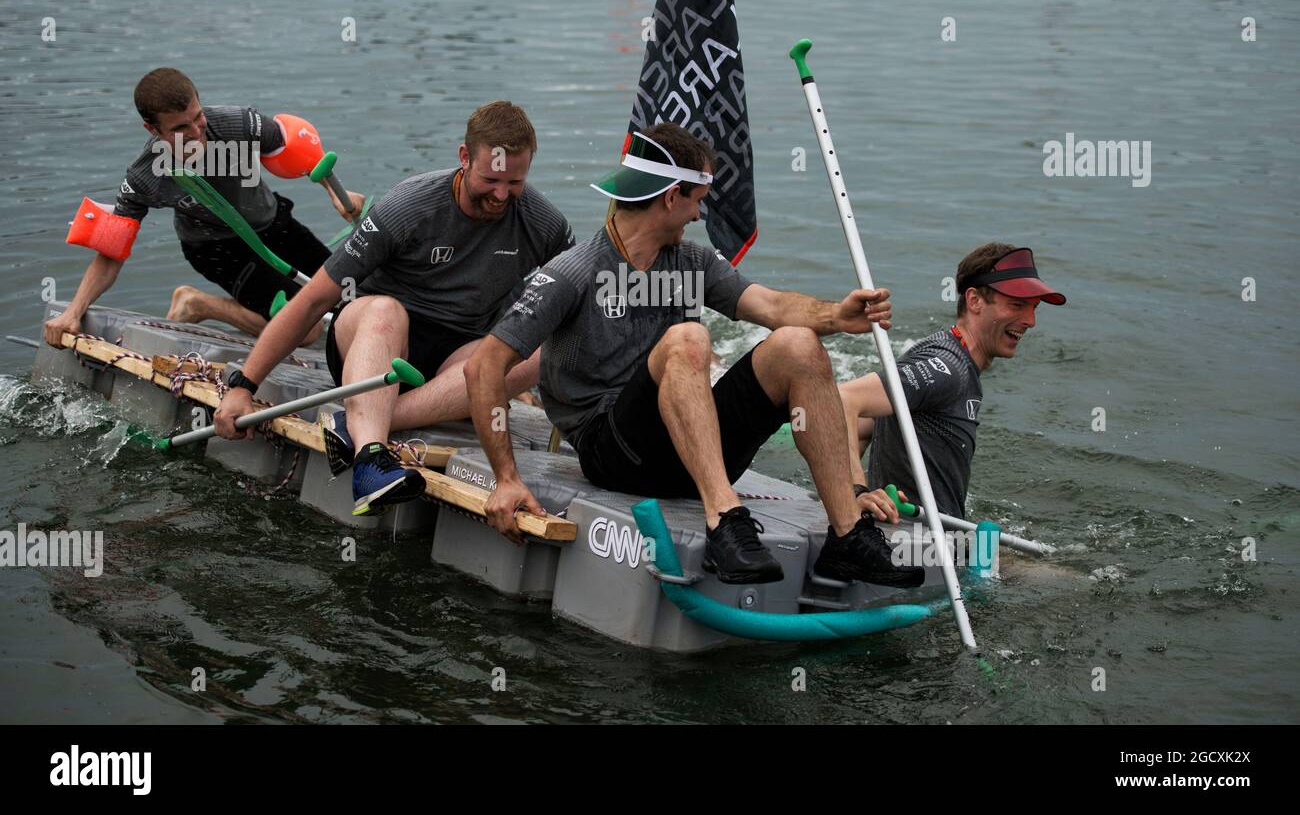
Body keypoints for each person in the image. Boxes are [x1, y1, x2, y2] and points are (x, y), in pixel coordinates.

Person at [464, 123, 924, 589]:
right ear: (670, 197)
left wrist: (836, 315)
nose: (700, 214)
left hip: (692, 449)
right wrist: (507, 479)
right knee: (689, 338)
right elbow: (484, 366)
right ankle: (724, 521)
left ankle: (846, 534)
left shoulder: (694, 262)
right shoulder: (572, 272)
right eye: (697, 200)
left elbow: (771, 306)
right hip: (616, 454)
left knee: (798, 343)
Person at [213, 101, 575, 517]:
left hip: (456, 359)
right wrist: (243, 386)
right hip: (371, 344)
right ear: (464, 157)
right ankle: (370, 461)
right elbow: (314, 299)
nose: (501, 195)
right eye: (490, 179)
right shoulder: (410, 205)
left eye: (515, 182)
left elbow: (579, 306)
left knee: (546, 345)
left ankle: (359, 422)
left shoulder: (544, 224)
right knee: (387, 311)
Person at [42, 68, 362, 348]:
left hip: (272, 223)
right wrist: (73, 312)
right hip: (216, 247)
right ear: (152, 129)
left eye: (198, 117)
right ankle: (197, 304)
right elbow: (111, 254)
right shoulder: (144, 177)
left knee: (349, 292)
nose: (197, 133)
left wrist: (336, 193)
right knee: (305, 331)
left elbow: (299, 150)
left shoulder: (238, 123)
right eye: (180, 128)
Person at [839, 244, 1066, 521]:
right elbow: (842, 401)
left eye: (1034, 308)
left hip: (921, 532)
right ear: (974, 300)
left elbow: (861, 427)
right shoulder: (947, 369)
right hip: (921, 541)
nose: (1030, 321)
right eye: (1017, 305)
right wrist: (856, 494)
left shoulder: (946, 353)